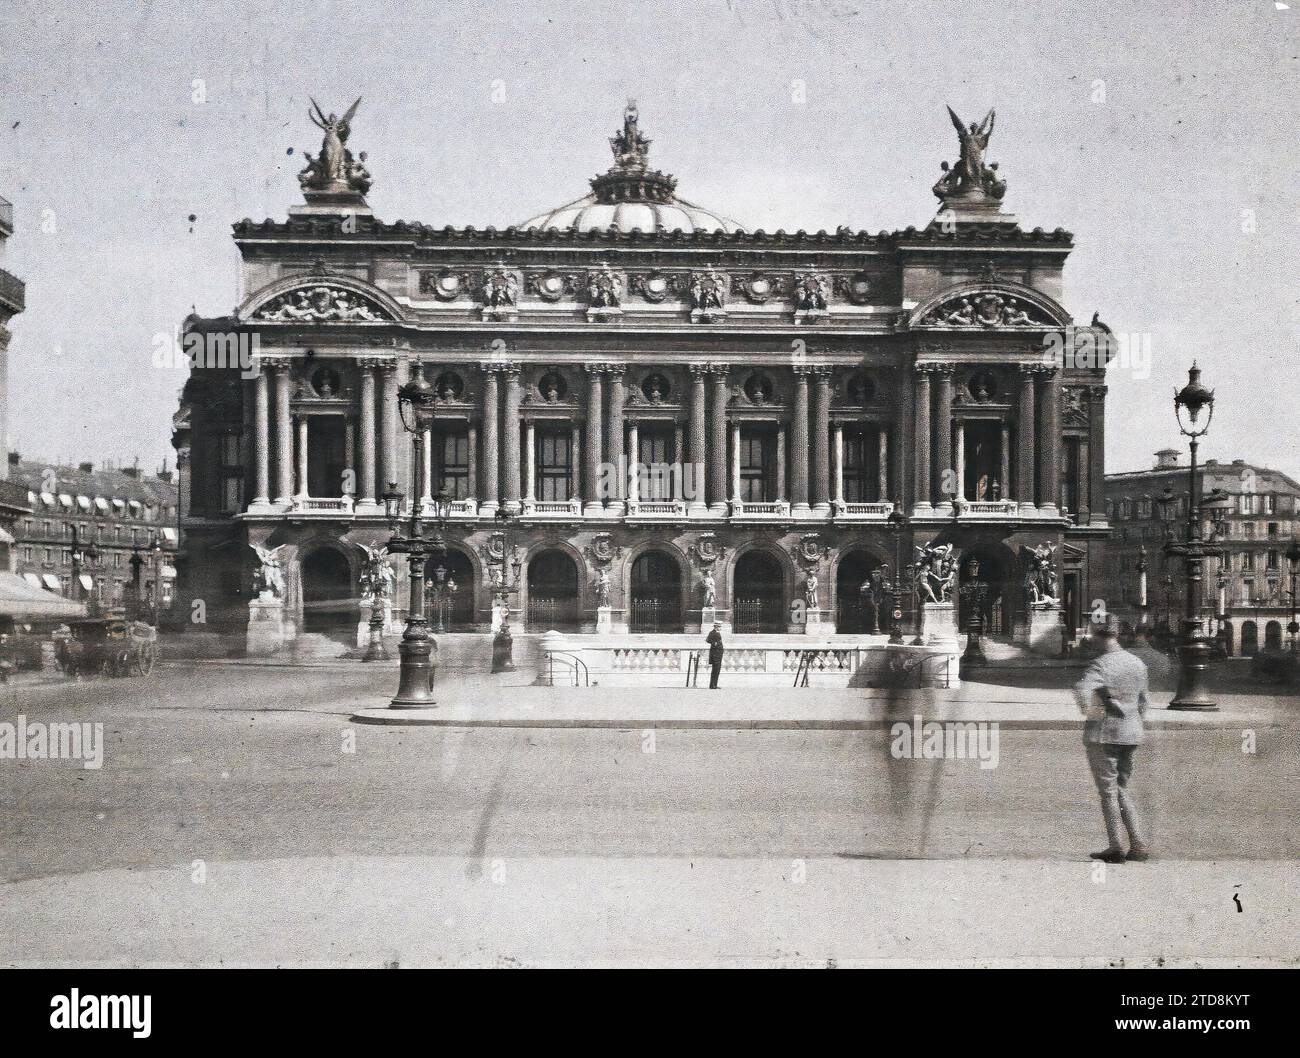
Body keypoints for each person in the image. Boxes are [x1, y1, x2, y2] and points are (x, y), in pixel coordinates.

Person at [1074, 611, 1151, 863]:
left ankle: (1116, 846)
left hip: (1104, 736)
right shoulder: (1137, 663)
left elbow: (1082, 693)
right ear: (1117, 633)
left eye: (1092, 634)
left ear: (1098, 635)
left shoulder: (1100, 664)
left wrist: (1095, 711)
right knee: (1121, 789)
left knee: (1108, 793)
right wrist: (1131, 717)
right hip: (1131, 734)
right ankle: (1138, 844)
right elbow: (1144, 702)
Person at [705, 621, 724, 689]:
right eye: (719, 626)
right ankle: (713, 685)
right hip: (715, 654)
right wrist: (714, 643)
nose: (720, 627)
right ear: (716, 626)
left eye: (720, 626)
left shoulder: (717, 633)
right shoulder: (712, 632)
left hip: (718, 654)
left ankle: (714, 685)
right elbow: (707, 640)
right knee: (715, 670)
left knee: (717, 670)